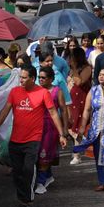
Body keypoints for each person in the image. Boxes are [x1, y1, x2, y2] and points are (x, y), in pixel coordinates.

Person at [0, 65, 68, 207]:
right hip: (15, 139)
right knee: (17, 172)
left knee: (28, 170)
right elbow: (6, 110)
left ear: (32, 78)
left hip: (33, 139)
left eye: (24, 78)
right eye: (20, 77)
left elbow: (53, 113)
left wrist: (61, 134)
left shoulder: (43, 93)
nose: (21, 80)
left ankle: (29, 201)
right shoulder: (15, 92)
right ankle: (22, 200)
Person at [35, 66, 69, 195]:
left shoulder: (57, 91)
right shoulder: (36, 90)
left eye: (44, 78)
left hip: (51, 126)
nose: (41, 80)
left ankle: (40, 182)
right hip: (38, 126)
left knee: (44, 153)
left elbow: (64, 110)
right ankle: (48, 176)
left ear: (51, 79)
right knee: (38, 154)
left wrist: (65, 128)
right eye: (39, 77)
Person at [66, 46, 93, 166]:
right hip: (70, 99)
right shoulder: (71, 70)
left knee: (76, 125)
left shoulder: (86, 68)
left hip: (81, 99)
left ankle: (77, 154)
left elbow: (79, 82)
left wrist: (75, 69)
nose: (70, 59)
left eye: (72, 57)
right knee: (69, 125)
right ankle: (79, 145)